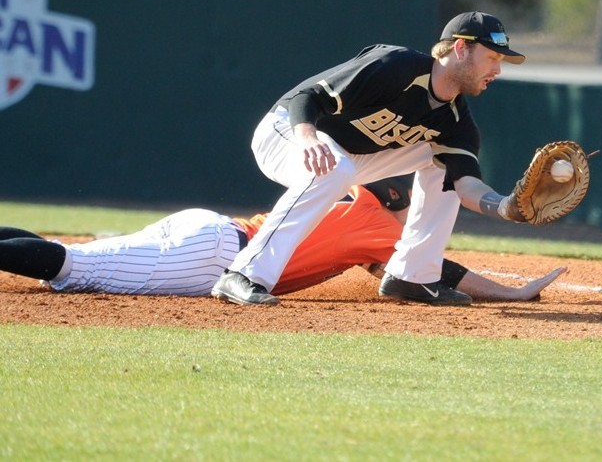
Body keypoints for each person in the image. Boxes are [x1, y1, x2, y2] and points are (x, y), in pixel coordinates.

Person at [213, 10, 536, 307]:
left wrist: (505, 206)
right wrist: (308, 138)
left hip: (351, 156)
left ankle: (413, 276)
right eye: (491, 57)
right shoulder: (395, 66)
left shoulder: (456, 123)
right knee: (334, 168)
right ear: (461, 49)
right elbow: (306, 98)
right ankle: (243, 275)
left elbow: (465, 186)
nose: (496, 69)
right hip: (287, 130)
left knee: (444, 163)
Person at [0, 178, 566, 301]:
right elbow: (440, 271)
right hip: (217, 255)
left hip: (210, 230)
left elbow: (410, 274)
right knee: (74, 266)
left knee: (82, 256)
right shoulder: (377, 225)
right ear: (402, 199)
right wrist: (514, 293)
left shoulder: (353, 200)